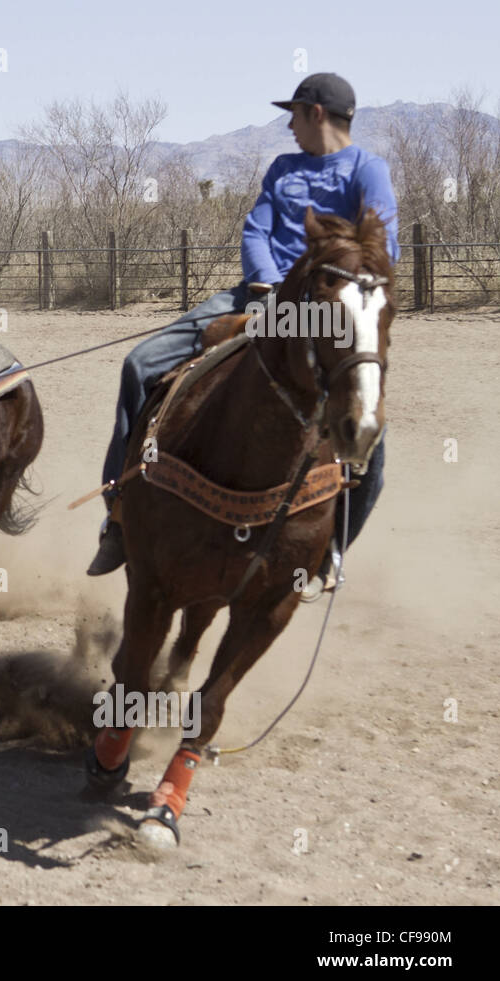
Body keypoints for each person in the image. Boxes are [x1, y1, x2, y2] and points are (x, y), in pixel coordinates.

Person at [86, 73, 398, 600]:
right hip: (255, 295)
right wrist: (268, 283)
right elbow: (257, 227)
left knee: (369, 440)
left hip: (327, 316)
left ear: (316, 113)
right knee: (140, 364)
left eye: (294, 114)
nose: (290, 125)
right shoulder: (284, 168)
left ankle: (331, 550)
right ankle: (120, 510)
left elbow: (378, 247)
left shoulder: (368, 171)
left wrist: (318, 300)